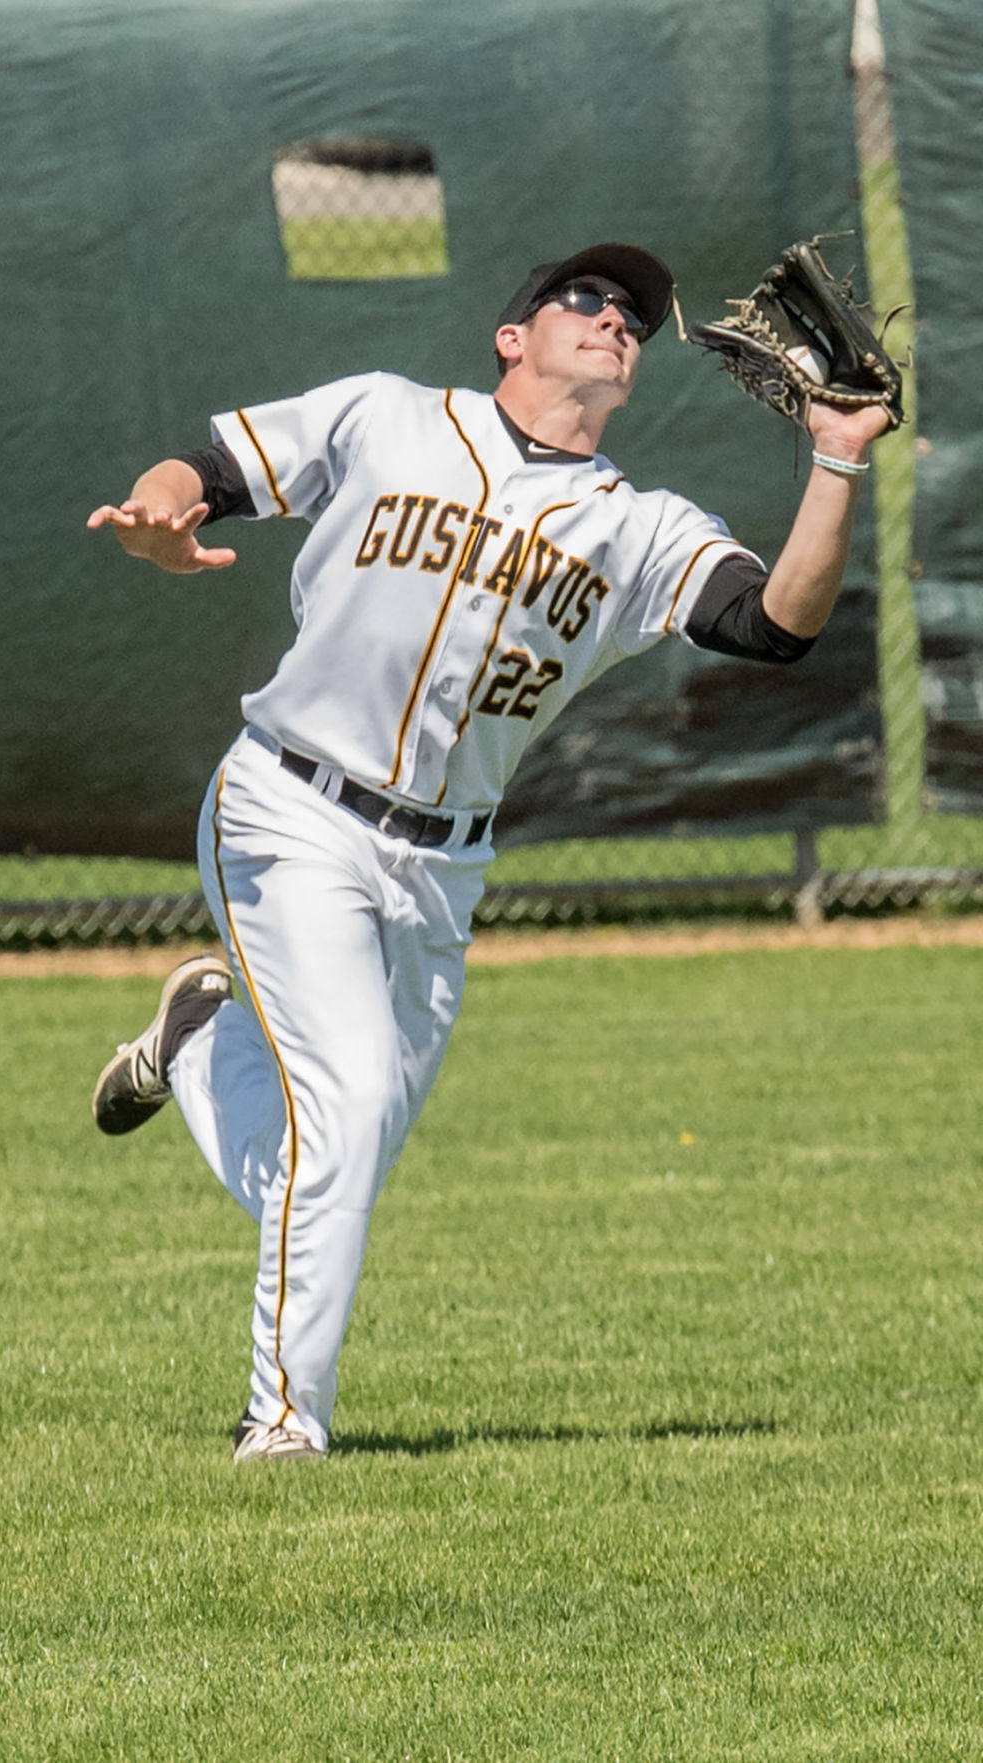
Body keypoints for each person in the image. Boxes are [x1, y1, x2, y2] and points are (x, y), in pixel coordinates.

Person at [86, 243, 891, 1463]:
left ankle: (201, 1050)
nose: (616, 319)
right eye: (589, 300)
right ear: (513, 336)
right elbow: (208, 465)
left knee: (324, 1169)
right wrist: (156, 513)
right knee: (343, 1120)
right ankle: (285, 1429)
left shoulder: (637, 525)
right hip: (290, 807)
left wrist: (834, 460)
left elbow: (776, 623)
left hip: (444, 865)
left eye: (634, 317)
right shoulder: (389, 417)